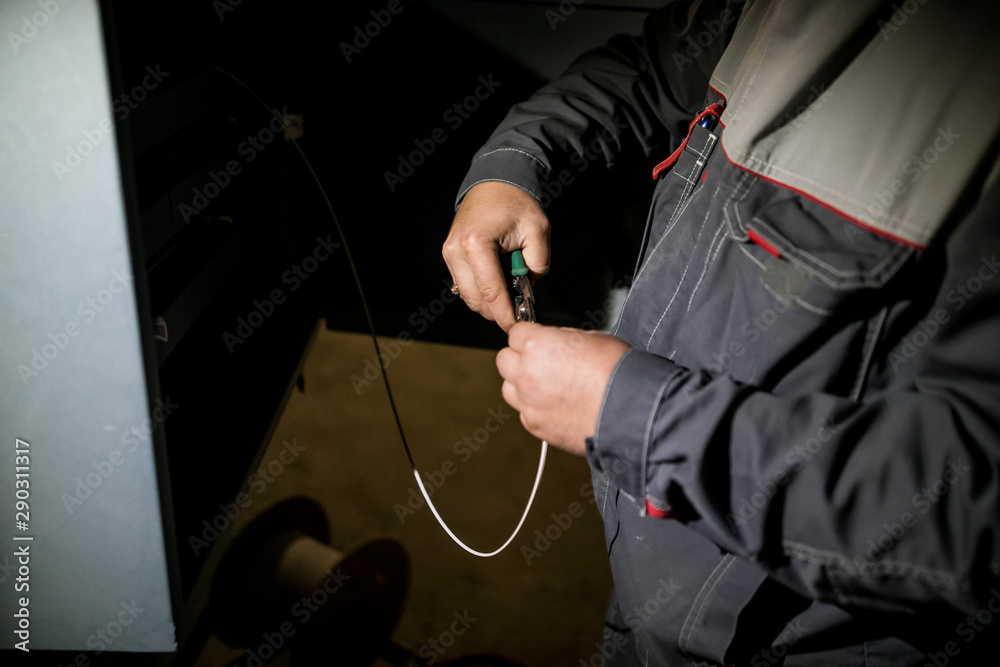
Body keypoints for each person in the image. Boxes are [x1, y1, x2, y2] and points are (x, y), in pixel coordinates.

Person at [443, 1, 1000, 665]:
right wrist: (513, 162)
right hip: (649, 594)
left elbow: (965, 508)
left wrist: (636, 418)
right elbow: (652, 68)